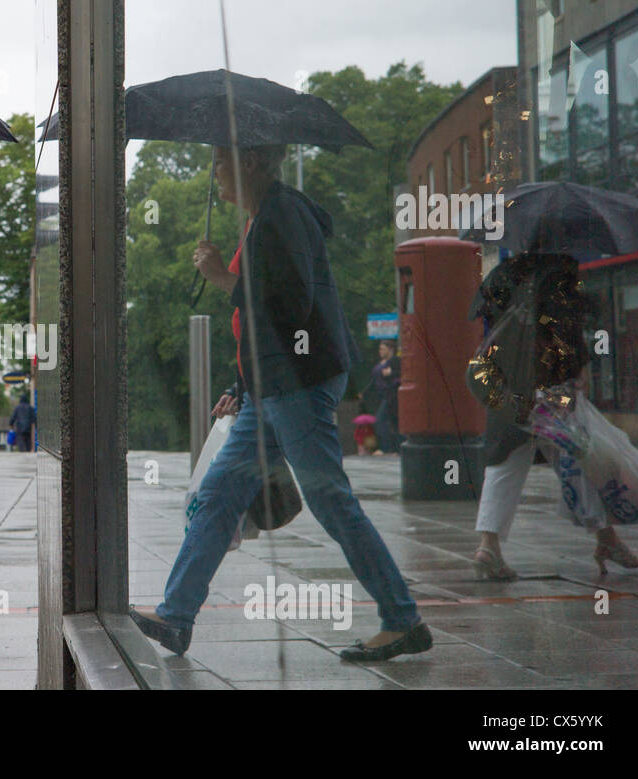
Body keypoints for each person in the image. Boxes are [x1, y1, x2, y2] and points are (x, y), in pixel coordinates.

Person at [130, 144, 430, 662]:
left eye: (221, 160)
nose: (214, 172)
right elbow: (264, 320)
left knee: (331, 501)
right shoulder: (263, 218)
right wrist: (242, 384)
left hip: (299, 385)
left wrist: (221, 279)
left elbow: (293, 307)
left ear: (250, 162)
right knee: (220, 492)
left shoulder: (285, 213)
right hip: (267, 390)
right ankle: (176, 617)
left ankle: (402, 619)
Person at [471, 252, 638, 580]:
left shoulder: (503, 275)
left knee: (504, 465)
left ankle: (488, 546)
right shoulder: (561, 272)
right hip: (552, 388)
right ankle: (608, 541)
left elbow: (487, 322)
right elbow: (567, 326)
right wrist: (580, 366)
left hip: (511, 387)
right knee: (584, 460)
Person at [370, 340, 401, 454]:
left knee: (382, 420)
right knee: (393, 422)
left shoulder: (395, 361)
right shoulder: (381, 364)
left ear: (390, 349)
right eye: (380, 349)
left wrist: (391, 373)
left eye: (383, 349)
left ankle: (386, 448)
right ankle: (395, 448)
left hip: (391, 395)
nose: (380, 351)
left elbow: (401, 373)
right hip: (383, 395)